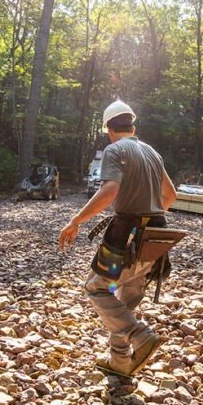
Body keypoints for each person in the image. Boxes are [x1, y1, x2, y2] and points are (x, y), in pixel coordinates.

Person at [59, 100, 178, 377]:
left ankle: (139, 335)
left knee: (96, 287)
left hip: (125, 235)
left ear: (110, 130)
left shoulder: (114, 150)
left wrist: (76, 221)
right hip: (156, 237)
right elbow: (170, 195)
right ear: (133, 128)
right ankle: (120, 361)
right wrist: (148, 214)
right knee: (126, 300)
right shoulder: (152, 152)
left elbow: (110, 190)